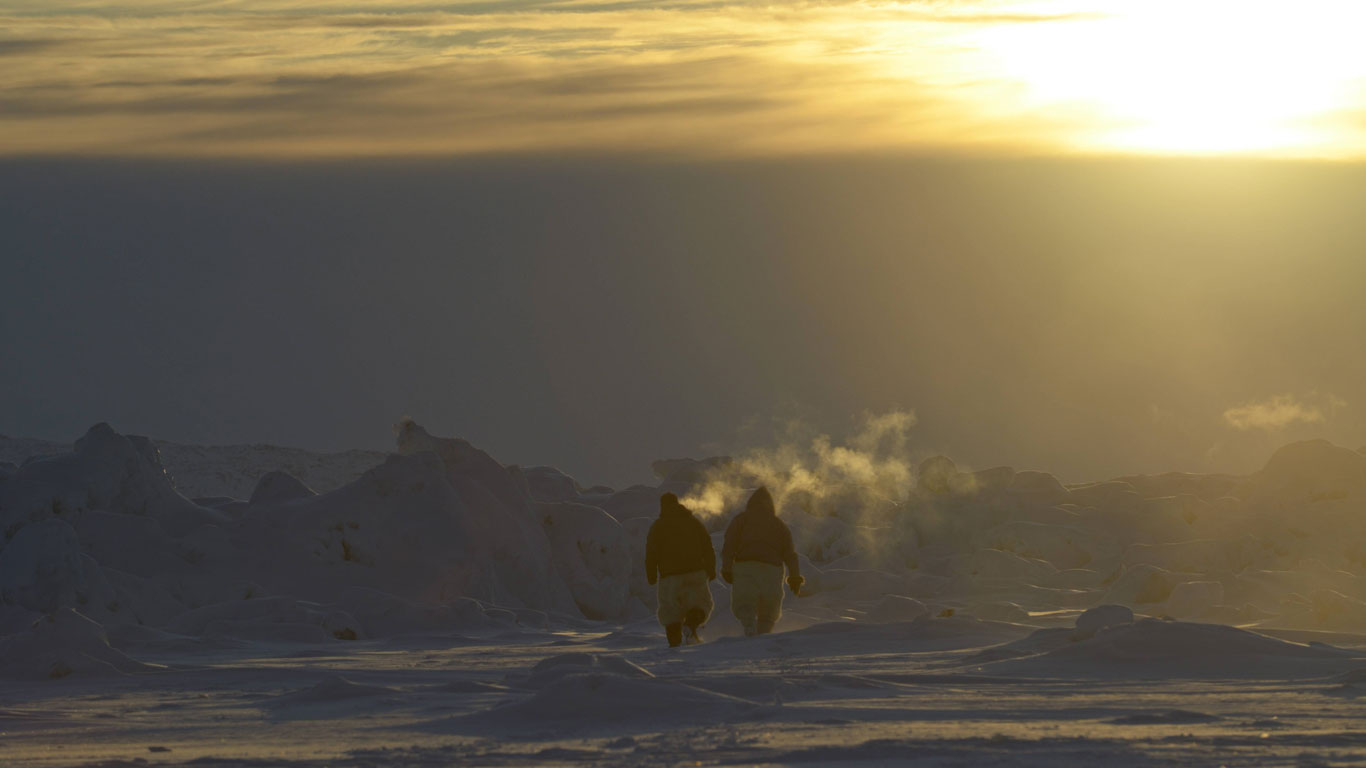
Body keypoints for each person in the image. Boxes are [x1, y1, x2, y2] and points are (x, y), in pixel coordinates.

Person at [721, 486, 803, 636]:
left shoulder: (741, 520)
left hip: (745, 567)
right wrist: (795, 577)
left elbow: (729, 545)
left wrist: (726, 568)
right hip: (772, 570)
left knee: (745, 601)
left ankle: (749, 624)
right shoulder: (779, 525)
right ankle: (763, 635)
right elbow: (790, 554)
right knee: (769, 608)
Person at [645, 493, 716, 647]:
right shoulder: (693, 522)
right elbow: (707, 545)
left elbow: (651, 552)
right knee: (700, 604)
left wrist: (651, 575)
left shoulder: (658, 526)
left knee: (670, 613)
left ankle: (675, 645)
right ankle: (690, 627)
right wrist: (711, 568)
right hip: (695, 573)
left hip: (669, 577)